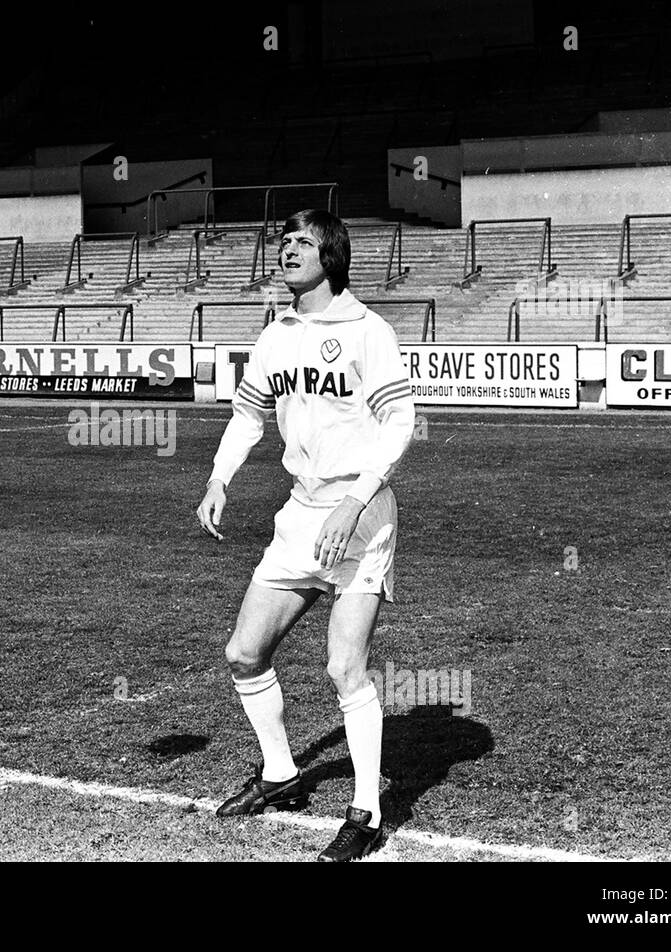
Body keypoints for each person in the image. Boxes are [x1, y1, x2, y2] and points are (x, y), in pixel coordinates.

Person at [195, 208, 415, 862]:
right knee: (243, 652)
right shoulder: (277, 334)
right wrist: (218, 479)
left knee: (344, 665)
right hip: (300, 516)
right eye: (283, 241)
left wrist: (356, 499)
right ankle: (281, 774)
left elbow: (399, 424)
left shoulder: (368, 331)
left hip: (361, 515)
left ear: (332, 255)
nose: (287, 250)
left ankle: (366, 812)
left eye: (302, 242)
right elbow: (246, 417)